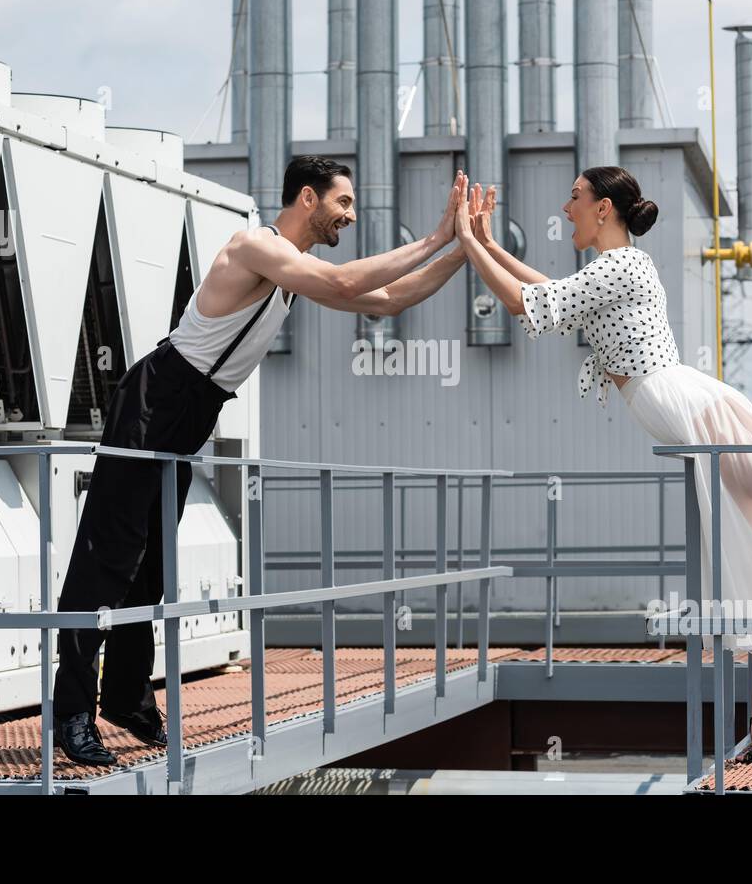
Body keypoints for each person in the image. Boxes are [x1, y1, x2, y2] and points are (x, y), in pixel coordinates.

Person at [452, 167, 752, 766]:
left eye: (574, 197)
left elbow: (531, 301)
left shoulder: (623, 263)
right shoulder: (608, 270)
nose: (564, 206)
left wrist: (470, 244)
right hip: (690, 417)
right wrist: (489, 245)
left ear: (604, 209)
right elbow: (550, 296)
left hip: (701, 413)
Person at [52, 155, 469, 766]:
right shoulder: (255, 248)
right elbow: (350, 285)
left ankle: (126, 697)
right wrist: (435, 236)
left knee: (151, 568)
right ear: (308, 197)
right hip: (154, 400)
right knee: (105, 562)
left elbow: (388, 302)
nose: (349, 217)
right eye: (343, 204)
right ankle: (70, 714)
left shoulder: (296, 270)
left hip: (189, 415)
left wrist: (463, 248)